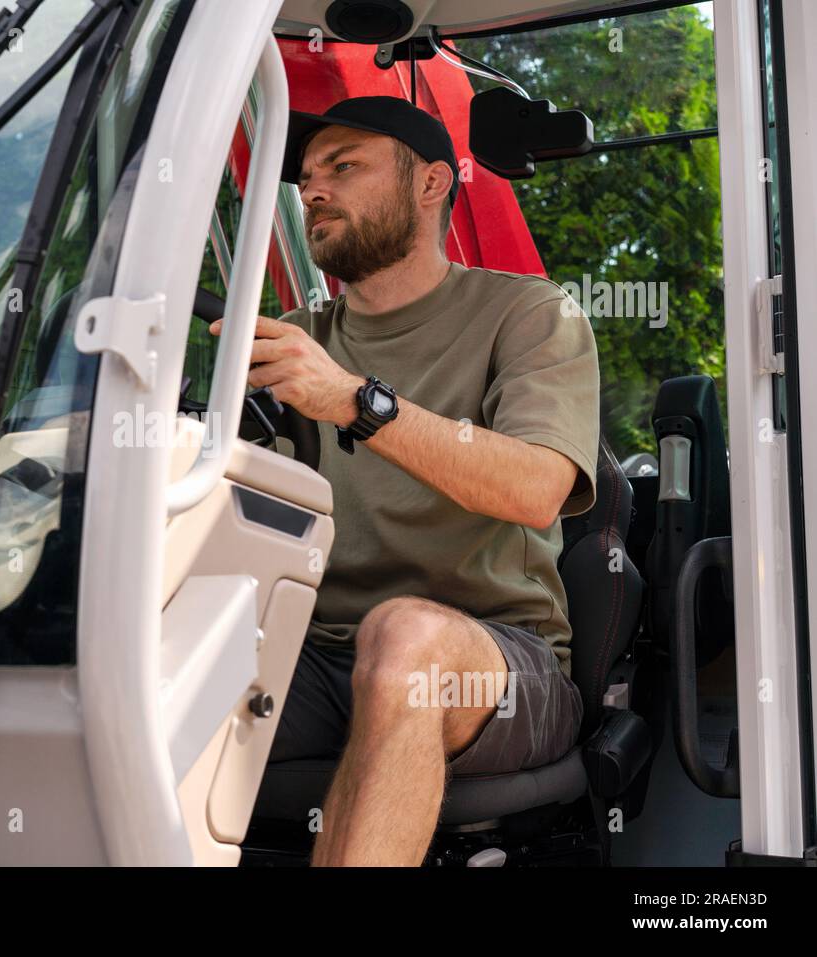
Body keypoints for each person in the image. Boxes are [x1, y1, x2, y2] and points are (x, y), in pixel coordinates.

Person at [212, 96, 599, 866]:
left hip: (498, 659)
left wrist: (354, 401)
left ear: (430, 183)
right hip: (316, 656)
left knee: (404, 637)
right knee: (146, 663)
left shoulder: (529, 314)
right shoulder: (296, 339)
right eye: (306, 177)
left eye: (344, 166)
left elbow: (536, 488)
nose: (314, 190)